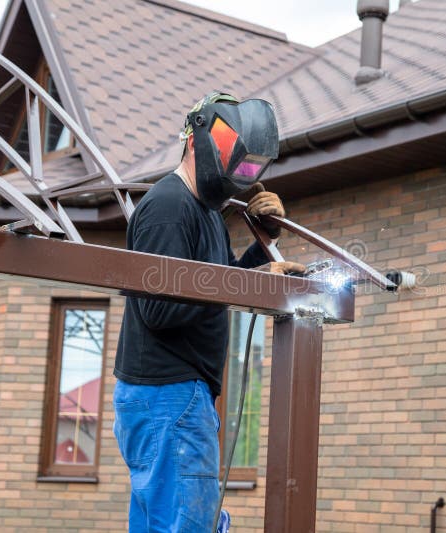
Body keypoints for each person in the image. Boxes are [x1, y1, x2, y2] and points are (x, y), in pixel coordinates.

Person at [112, 91, 304, 532]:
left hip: (173, 395)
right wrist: (251, 283)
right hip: (170, 393)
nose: (241, 174)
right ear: (198, 138)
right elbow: (160, 308)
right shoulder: (169, 207)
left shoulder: (207, 213)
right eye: (237, 160)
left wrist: (263, 243)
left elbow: (217, 283)